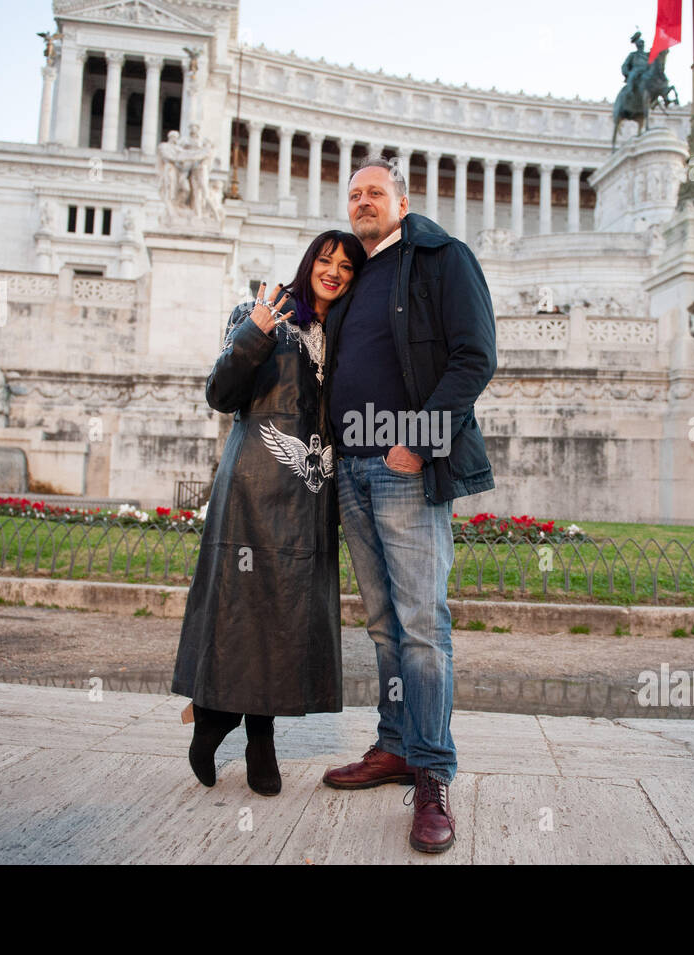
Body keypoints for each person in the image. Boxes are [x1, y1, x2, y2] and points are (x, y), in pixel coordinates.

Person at [321, 158, 497, 853]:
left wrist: (416, 444)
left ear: (402, 199)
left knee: (422, 626)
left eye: (374, 192)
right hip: (351, 469)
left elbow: (475, 357)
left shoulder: (441, 257)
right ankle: (394, 743)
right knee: (384, 626)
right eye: (354, 194)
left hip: (402, 466)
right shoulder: (357, 274)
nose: (363, 202)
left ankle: (432, 774)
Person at [172, 230, 366, 796]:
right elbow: (220, 393)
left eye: (346, 266)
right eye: (324, 260)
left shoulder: (346, 333)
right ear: (308, 264)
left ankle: (229, 724)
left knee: (288, 618)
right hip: (254, 485)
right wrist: (254, 329)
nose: (333, 271)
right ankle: (243, 733)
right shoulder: (263, 312)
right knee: (244, 610)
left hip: (311, 492)